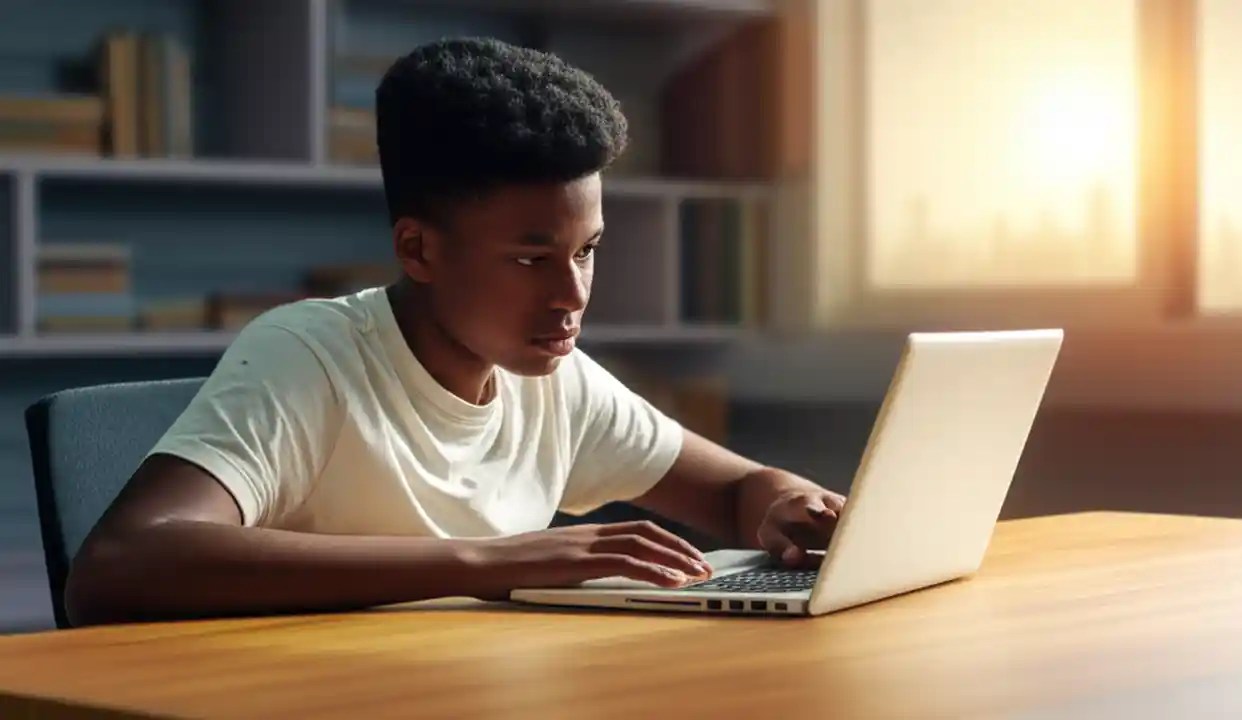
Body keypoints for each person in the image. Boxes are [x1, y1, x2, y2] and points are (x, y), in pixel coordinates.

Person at [64, 37, 845, 626]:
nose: (571, 295)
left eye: (586, 251)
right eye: (531, 259)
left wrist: (790, 506)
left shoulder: (557, 381)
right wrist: (490, 562)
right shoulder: (310, 356)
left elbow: (737, 491)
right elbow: (122, 563)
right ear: (418, 250)